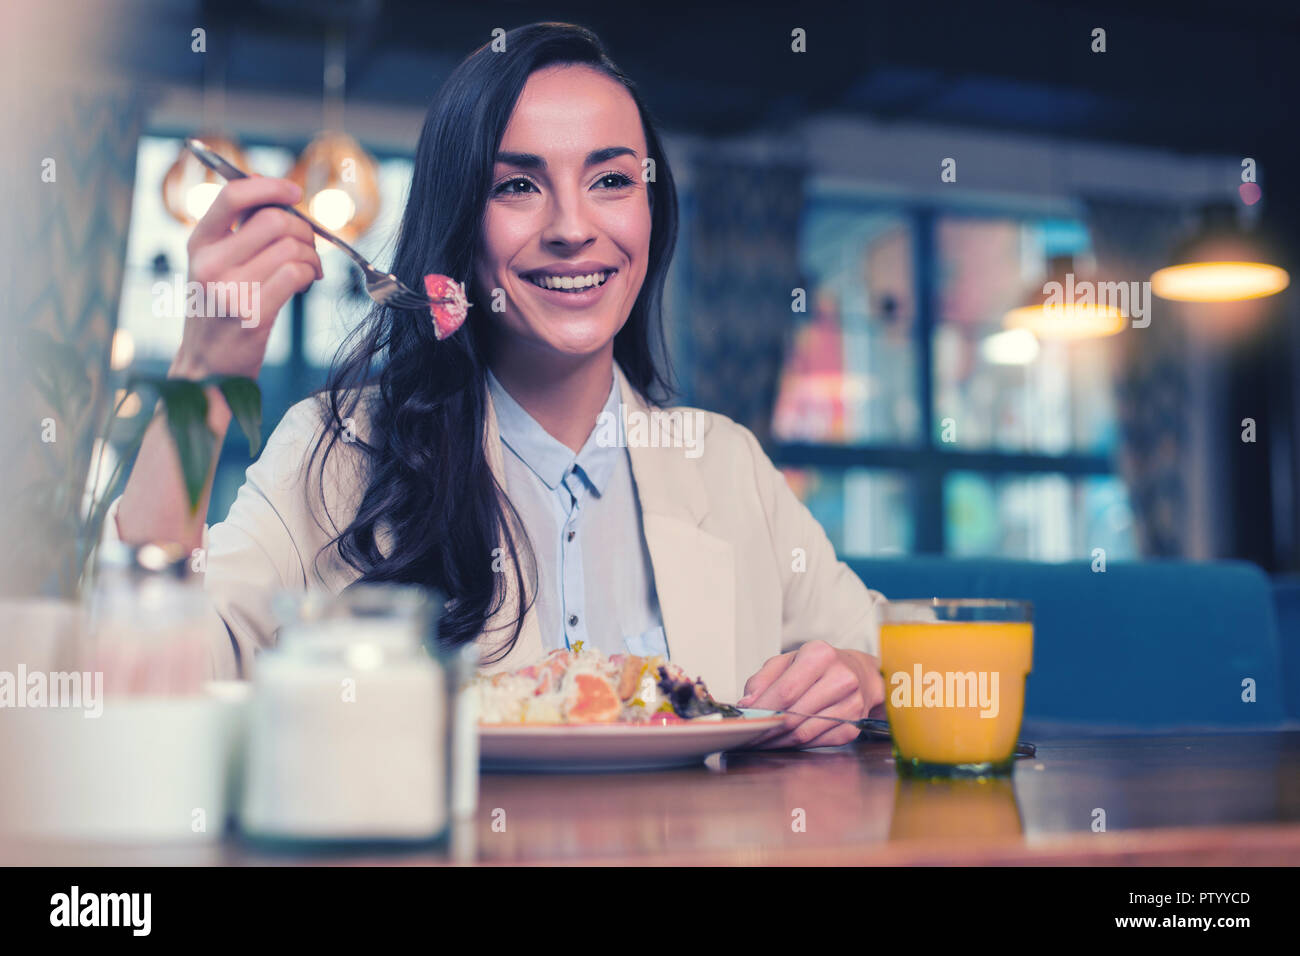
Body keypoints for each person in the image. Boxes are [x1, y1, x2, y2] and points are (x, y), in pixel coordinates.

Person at [110, 22, 885, 749]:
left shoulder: (727, 463)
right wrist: (204, 377)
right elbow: (137, 680)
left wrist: (858, 677)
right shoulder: (336, 447)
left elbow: (902, 651)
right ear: (458, 227)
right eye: (517, 187)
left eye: (612, 178)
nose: (572, 226)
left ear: (653, 211)